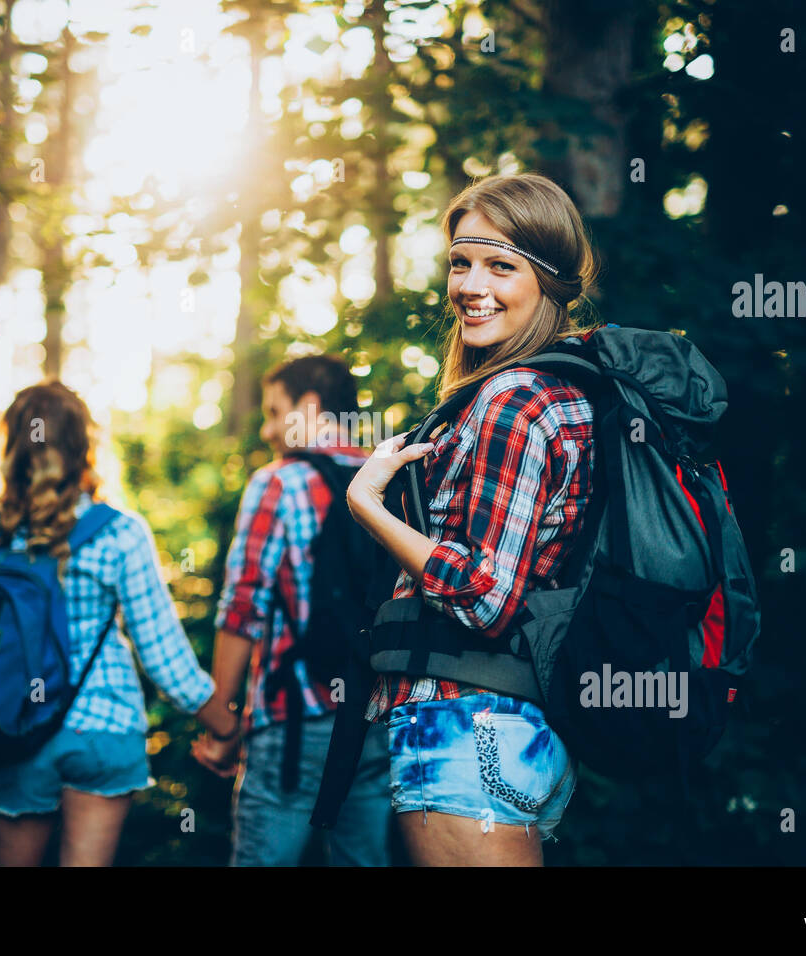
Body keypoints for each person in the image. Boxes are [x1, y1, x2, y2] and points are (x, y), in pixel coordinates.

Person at [344, 172, 598, 866]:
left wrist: (365, 505)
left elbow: (484, 595)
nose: (470, 284)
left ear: (547, 280)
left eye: (500, 264)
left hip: (463, 727)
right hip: (518, 729)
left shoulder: (513, 400)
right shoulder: (567, 389)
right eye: (461, 261)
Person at [0, 381, 238, 866]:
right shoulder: (121, 532)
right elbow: (166, 662)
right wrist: (229, 729)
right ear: (86, 447)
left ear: (9, 446)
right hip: (103, 730)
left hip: (12, 728)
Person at [192, 355, 392, 866]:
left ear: (308, 407)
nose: (267, 428)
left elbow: (242, 608)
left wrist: (222, 721)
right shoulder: (387, 479)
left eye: (275, 412)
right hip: (374, 717)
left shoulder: (279, 483)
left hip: (293, 719)